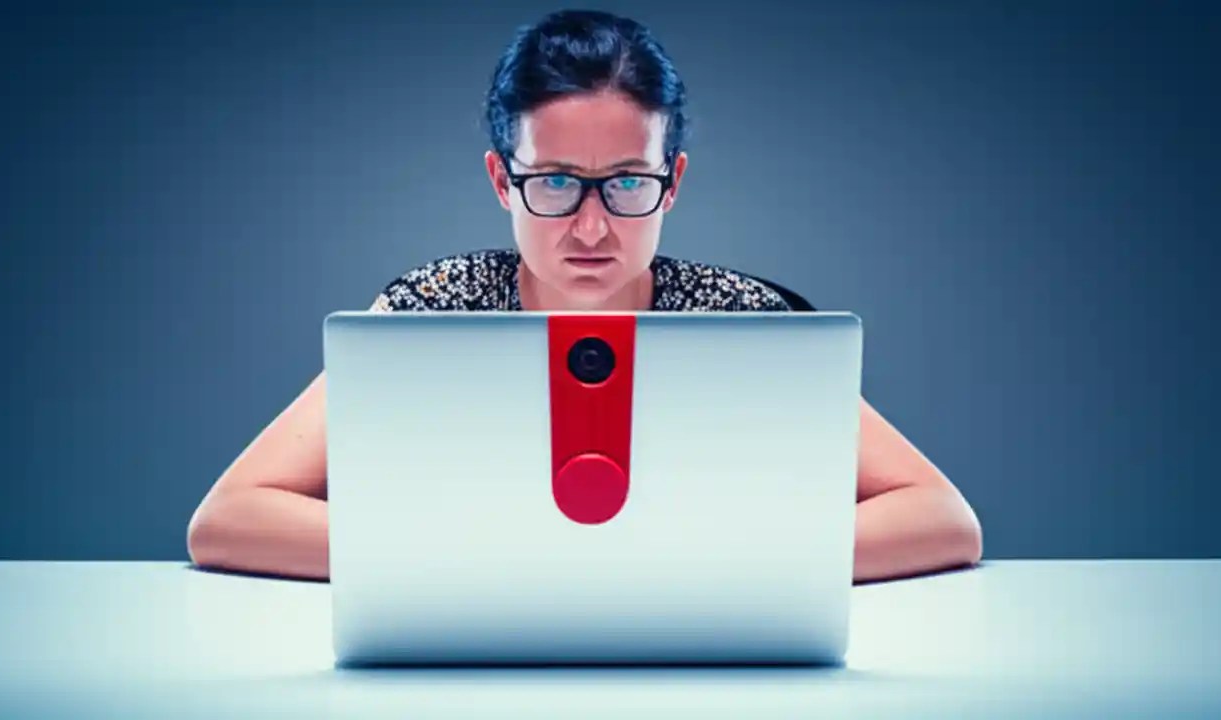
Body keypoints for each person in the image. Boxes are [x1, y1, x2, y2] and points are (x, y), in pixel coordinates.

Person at [186, 9, 982, 583]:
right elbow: (228, 519)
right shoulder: (430, 313)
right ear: (503, 180)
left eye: (628, 182)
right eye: (557, 182)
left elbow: (943, 519)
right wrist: (503, 559)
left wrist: (699, 563)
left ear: (672, 185)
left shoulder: (746, 326)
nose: (593, 227)